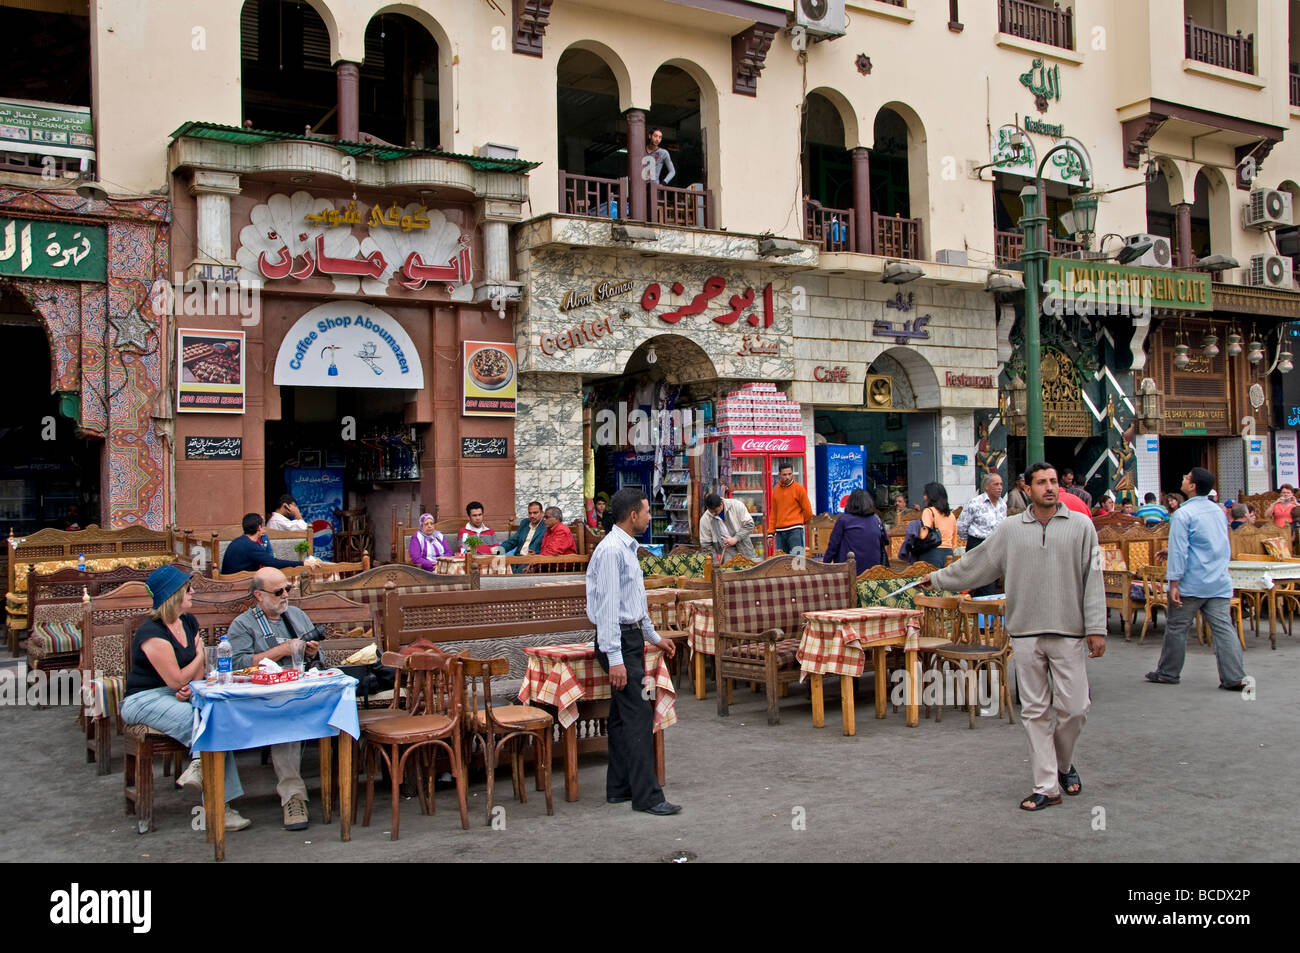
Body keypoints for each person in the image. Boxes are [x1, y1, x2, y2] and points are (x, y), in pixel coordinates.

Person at [921, 463, 1106, 812]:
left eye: (1053, 481)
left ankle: (1064, 765)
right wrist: (936, 579)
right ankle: (1046, 785)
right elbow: (976, 563)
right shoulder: (1010, 529)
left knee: (1075, 708)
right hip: (1025, 632)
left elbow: (1093, 577)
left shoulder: (1082, 527)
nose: (1050, 487)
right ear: (1027, 488)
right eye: (1042, 482)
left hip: (1069, 631)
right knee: (1035, 711)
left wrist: (1096, 628)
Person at [119, 565, 251, 832]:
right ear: (173, 594)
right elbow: (177, 678)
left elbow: (193, 676)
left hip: (179, 692)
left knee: (218, 715)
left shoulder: (188, 622)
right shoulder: (151, 633)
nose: (193, 591)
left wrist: (192, 686)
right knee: (205, 723)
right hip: (144, 699)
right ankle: (219, 808)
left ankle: (200, 768)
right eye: (187, 588)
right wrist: (200, 656)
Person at [585, 487, 679, 815]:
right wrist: (615, 659)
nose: (650, 516)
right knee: (638, 718)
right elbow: (609, 608)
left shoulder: (626, 548)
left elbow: (633, 602)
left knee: (622, 720)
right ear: (633, 515)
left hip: (630, 638)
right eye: (646, 511)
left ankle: (619, 788)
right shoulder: (612, 551)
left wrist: (653, 636)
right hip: (619, 643)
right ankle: (647, 797)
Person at [226, 567, 323, 831]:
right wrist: (281, 650)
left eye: (287, 589)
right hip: (264, 700)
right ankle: (294, 797)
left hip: (302, 691)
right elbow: (237, 665)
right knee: (286, 716)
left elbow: (318, 660)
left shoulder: (297, 616)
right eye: (278, 591)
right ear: (258, 595)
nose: (285, 595)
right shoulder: (243, 624)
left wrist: (311, 652)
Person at [1146, 468, 1250, 691]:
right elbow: (1215, 545)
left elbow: (1181, 550)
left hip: (1191, 583)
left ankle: (1168, 672)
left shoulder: (1183, 514)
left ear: (1192, 486)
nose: (1183, 479)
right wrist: (1170, 550)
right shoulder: (1218, 511)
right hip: (1218, 581)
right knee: (1224, 628)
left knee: (1176, 627)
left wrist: (1174, 583)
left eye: (1186, 477)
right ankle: (1234, 677)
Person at [956, 474, 1007, 596]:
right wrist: (972, 542)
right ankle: (983, 611)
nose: (1000, 487)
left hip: (996, 545)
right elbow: (961, 526)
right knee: (985, 584)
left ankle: (987, 610)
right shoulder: (975, 503)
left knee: (994, 582)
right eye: (996, 484)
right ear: (987, 487)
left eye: (1001, 484)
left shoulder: (1002, 504)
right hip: (979, 545)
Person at [821, 488, 888, 571]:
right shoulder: (876, 520)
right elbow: (884, 542)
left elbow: (833, 546)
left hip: (849, 571)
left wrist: (824, 566)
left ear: (850, 503)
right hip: (874, 571)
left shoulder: (844, 520)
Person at [221, 513, 303, 574]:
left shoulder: (237, 541)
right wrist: (302, 563)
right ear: (259, 528)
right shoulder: (251, 546)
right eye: (263, 525)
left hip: (231, 582)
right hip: (239, 585)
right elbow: (274, 563)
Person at [699, 493, 757, 562]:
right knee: (729, 569)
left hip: (744, 547)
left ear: (721, 504)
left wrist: (736, 538)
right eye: (711, 512)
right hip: (726, 551)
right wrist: (714, 564)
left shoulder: (736, 505)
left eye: (716, 511)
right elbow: (706, 545)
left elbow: (749, 525)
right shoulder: (705, 519)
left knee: (750, 570)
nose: (714, 514)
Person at [769, 464, 813, 555]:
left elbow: (808, 511)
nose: (787, 477)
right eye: (784, 475)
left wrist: (800, 522)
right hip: (780, 532)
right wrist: (770, 533)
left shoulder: (799, 489)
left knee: (798, 561)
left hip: (795, 530)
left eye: (790, 474)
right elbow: (773, 513)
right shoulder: (776, 490)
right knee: (781, 562)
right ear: (779, 475)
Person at [915, 482, 957, 569]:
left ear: (931, 496)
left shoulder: (928, 511)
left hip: (932, 554)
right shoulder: (951, 515)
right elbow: (954, 540)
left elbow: (923, 535)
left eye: (925, 494)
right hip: (949, 553)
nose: (924, 497)